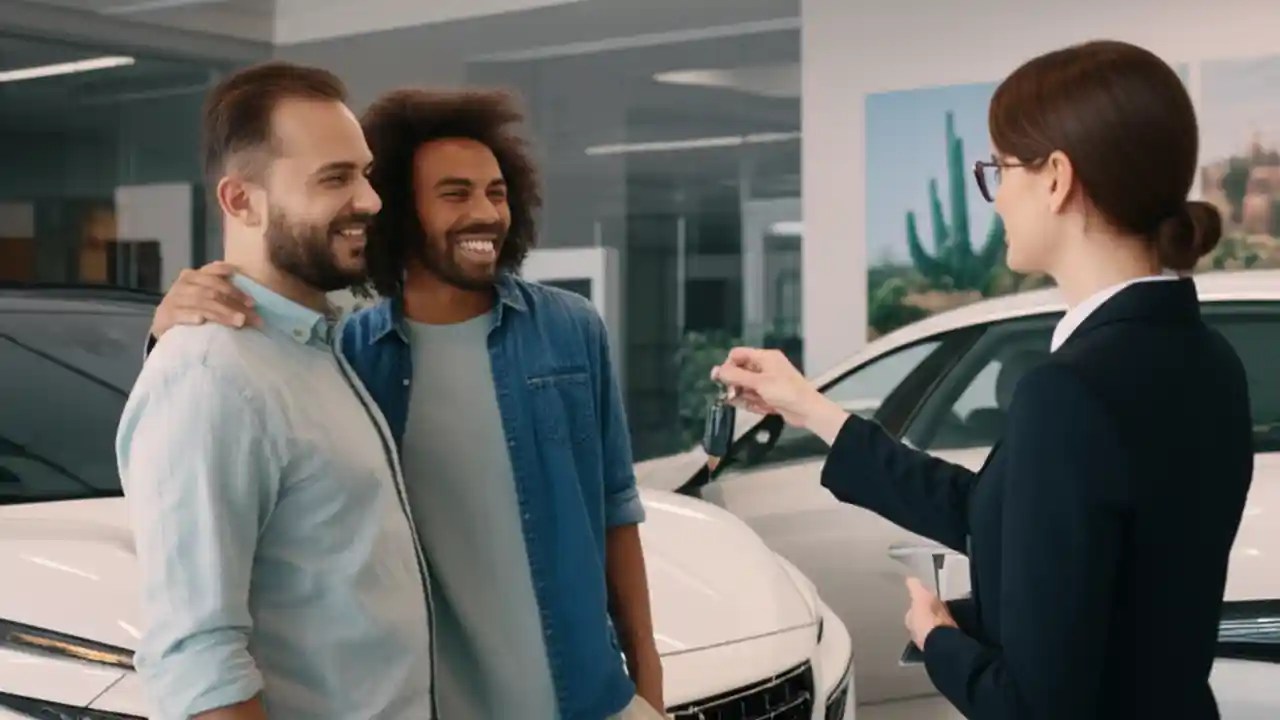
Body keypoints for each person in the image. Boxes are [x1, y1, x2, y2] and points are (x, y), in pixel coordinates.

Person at [712, 40, 1254, 719]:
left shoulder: (1071, 393)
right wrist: (813, 410)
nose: (995, 201)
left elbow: (1034, 706)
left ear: (1056, 178)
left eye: (999, 169)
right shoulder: (1210, 361)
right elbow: (1000, 513)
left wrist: (938, 640)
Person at [148, 88, 665, 720]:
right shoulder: (352, 351)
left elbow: (615, 505)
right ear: (402, 212)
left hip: (587, 699)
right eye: (454, 194)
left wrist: (648, 681)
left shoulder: (569, 329)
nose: (485, 212)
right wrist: (166, 330)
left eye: (497, 192)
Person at [116, 62, 435, 719]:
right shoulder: (209, 378)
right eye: (335, 178)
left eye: (365, 173)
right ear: (241, 201)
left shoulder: (315, 353)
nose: (371, 201)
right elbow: (197, 665)